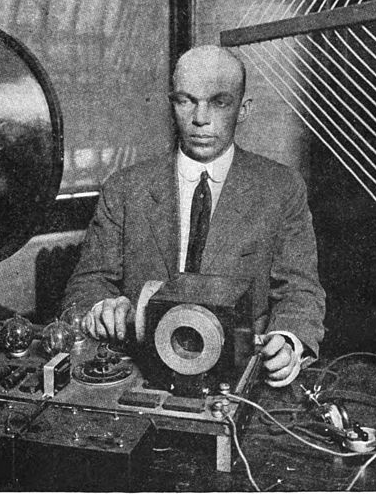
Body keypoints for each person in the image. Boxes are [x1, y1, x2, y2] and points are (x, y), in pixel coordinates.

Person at [62, 45, 325, 387]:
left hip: (238, 378)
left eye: (219, 102)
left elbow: (300, 291)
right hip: (143, 375)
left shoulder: (281, 188)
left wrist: (289, 342)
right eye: (186, 101)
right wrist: (100, 309)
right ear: (171, 104)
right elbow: (85, 285)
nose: (201, 118)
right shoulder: (124, 188)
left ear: (243, 109)